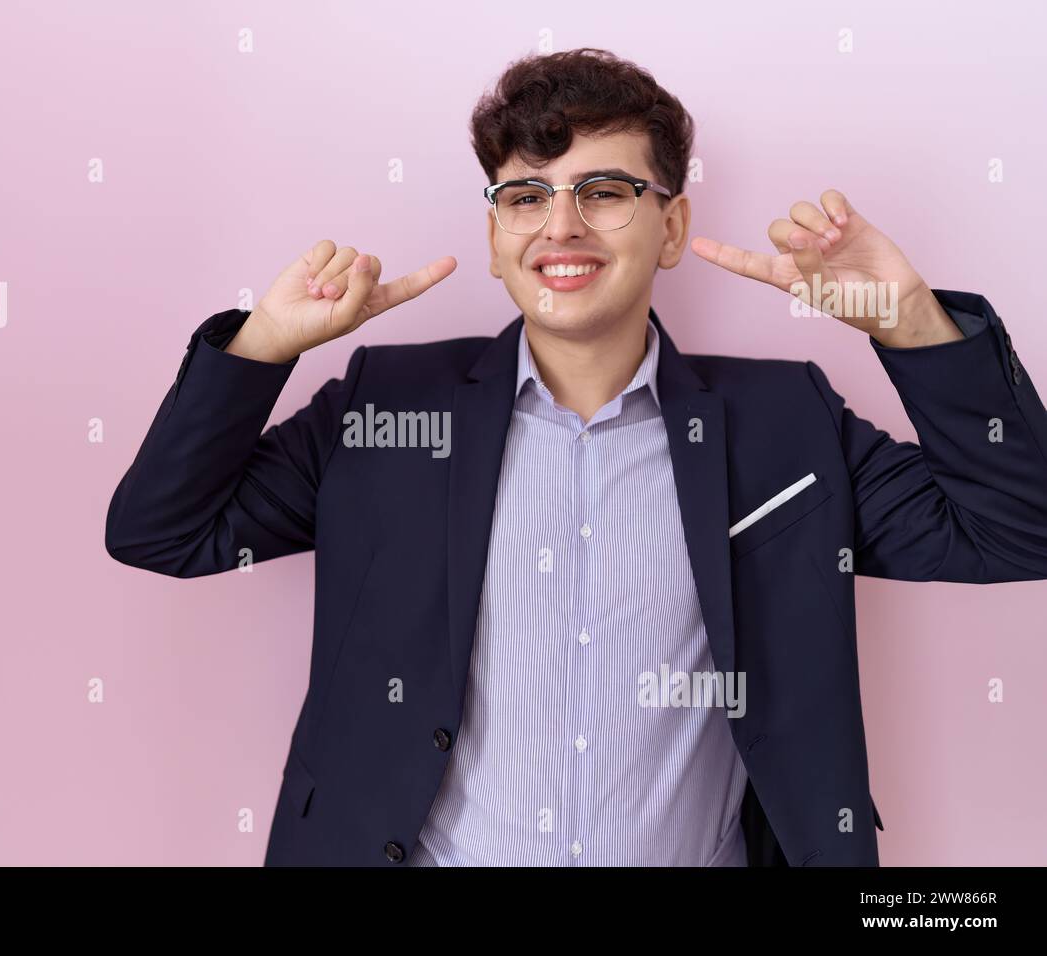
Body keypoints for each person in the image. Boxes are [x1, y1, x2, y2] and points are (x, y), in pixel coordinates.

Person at [105, 48, 1047, 866]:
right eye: (526, 196)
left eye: (604, 192)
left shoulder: (784, 422)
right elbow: (164, 531)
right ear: (494, 236)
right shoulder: (382, 407)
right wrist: (264, 346)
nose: (561, 227)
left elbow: (1018, 533)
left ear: (671, 226)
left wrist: (914, 324)